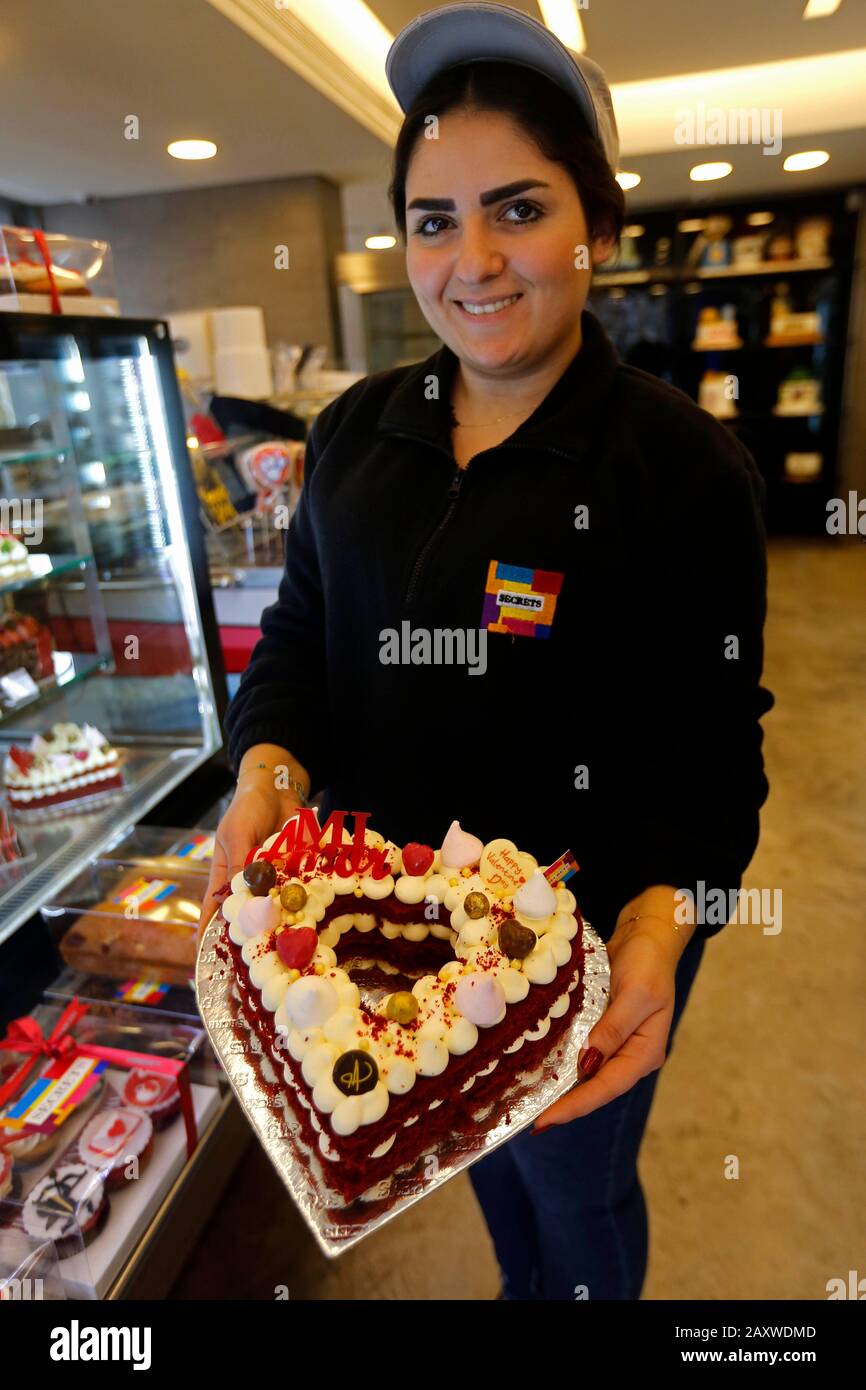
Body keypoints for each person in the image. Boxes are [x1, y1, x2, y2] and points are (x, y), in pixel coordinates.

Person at [199, 2, 773, 1300]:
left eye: (518, 209)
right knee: (469, 1156)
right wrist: (269, 774)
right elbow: (301, 639)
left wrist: (658, 926)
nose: (473, 260)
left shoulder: (679, 470)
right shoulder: (351, 434)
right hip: (384, 942)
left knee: (572, 1184)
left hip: (574, 944)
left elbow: (713, 751)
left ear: (597, 227)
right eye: (432, 219)